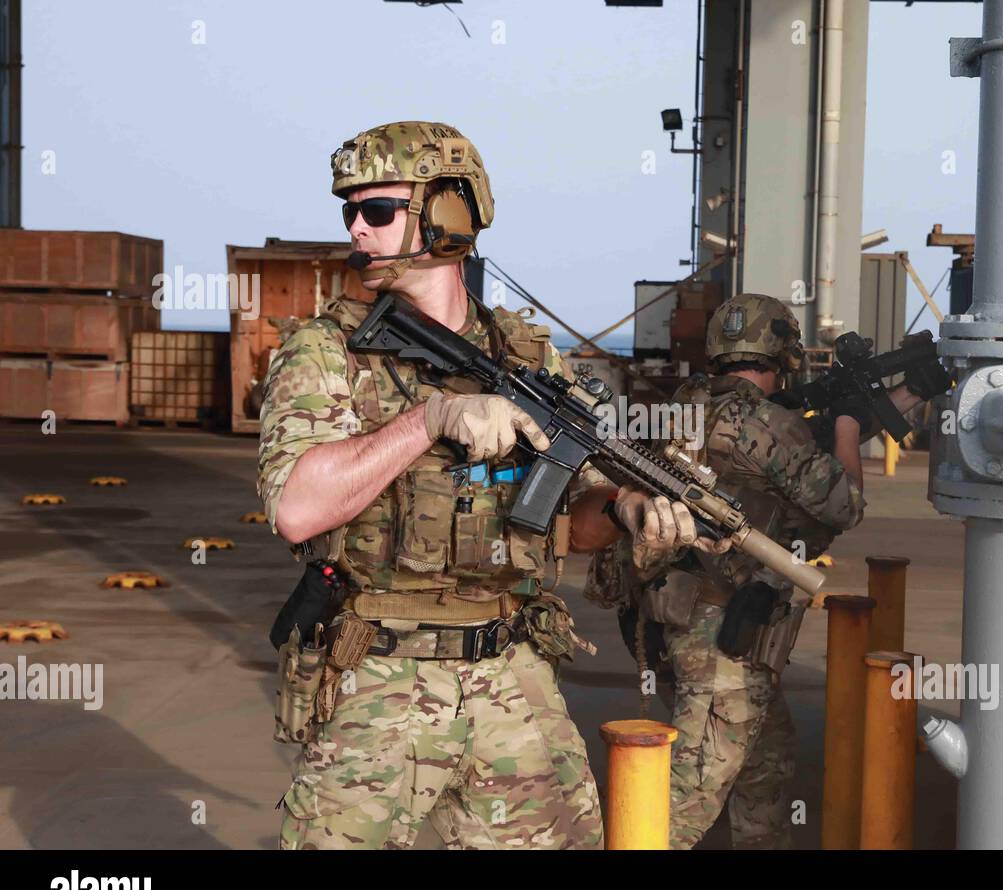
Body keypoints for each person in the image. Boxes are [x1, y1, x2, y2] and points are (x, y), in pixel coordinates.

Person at [258, 120, 700, 849]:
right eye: (351, 212)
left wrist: (625, 508)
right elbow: (298, 509)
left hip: (512, 674)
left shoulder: (528, 358)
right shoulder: (326, 349)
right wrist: (431, 417)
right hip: (377, 675)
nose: (357, 231)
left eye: (377, 210)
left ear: (449, 214)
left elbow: (566, 522)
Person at [590, 293, 923, 849]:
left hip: (674, 617)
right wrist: (845, 425)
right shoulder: (772, 423)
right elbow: (842, 503)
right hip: (722, 633)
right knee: (684, 804)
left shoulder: (687, 403)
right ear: (783, 353)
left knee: (764, 766)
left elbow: (784, 469)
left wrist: (878, 407)